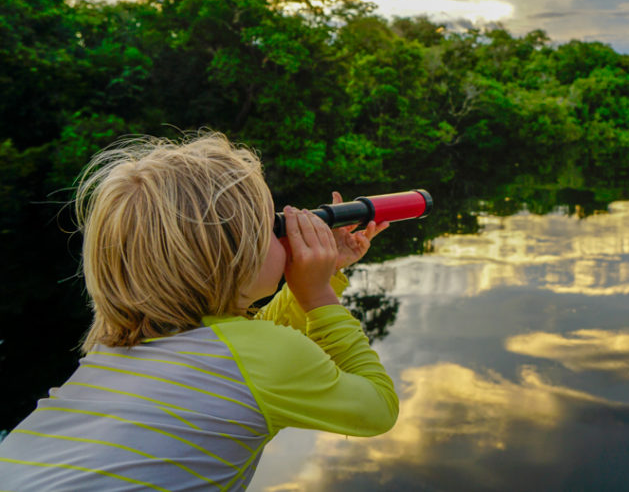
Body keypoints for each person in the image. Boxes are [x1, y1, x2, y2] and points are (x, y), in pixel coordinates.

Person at [0, 132, 398, 490]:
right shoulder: (259, 358)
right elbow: (377, 407)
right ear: (233, 259)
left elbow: (247, 352)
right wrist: (316, 295)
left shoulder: (124, 345)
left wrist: (325, 275)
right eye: (271, 227)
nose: (285, 234)